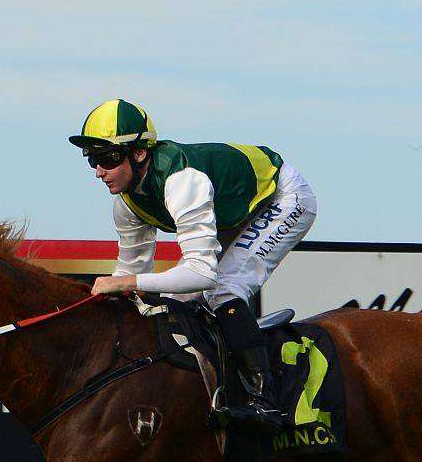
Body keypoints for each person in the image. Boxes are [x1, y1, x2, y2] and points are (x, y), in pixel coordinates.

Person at [71, 98, 317, 430]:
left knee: (224, 289)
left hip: (283, 197)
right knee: (181, 298)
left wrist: (127, 284)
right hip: (232, 211)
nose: (100, 172)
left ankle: (266, 400)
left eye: (108, 158)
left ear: (140, 152)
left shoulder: (182, 182)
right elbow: (129, 273)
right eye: (92, 161)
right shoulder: (126, 204)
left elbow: (200, 273)